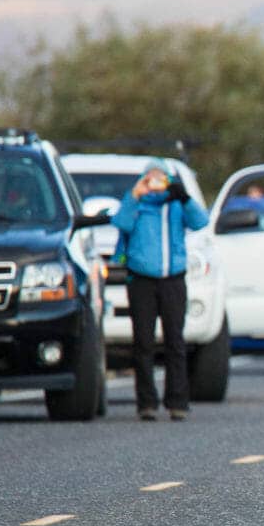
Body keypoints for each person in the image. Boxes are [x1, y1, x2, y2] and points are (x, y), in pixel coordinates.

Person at [111, 159, 209, 421]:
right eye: (150, 178)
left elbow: (201, 222)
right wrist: (135, 195)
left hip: (173, 278)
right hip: (141, 278)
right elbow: (120, 223)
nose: (156, 183)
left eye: (161, 178)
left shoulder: (175, 204)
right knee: (143, 341)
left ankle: (178, 401)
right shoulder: (138, 203)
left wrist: (184, 197)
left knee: (175, 340)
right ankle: (147, 402)